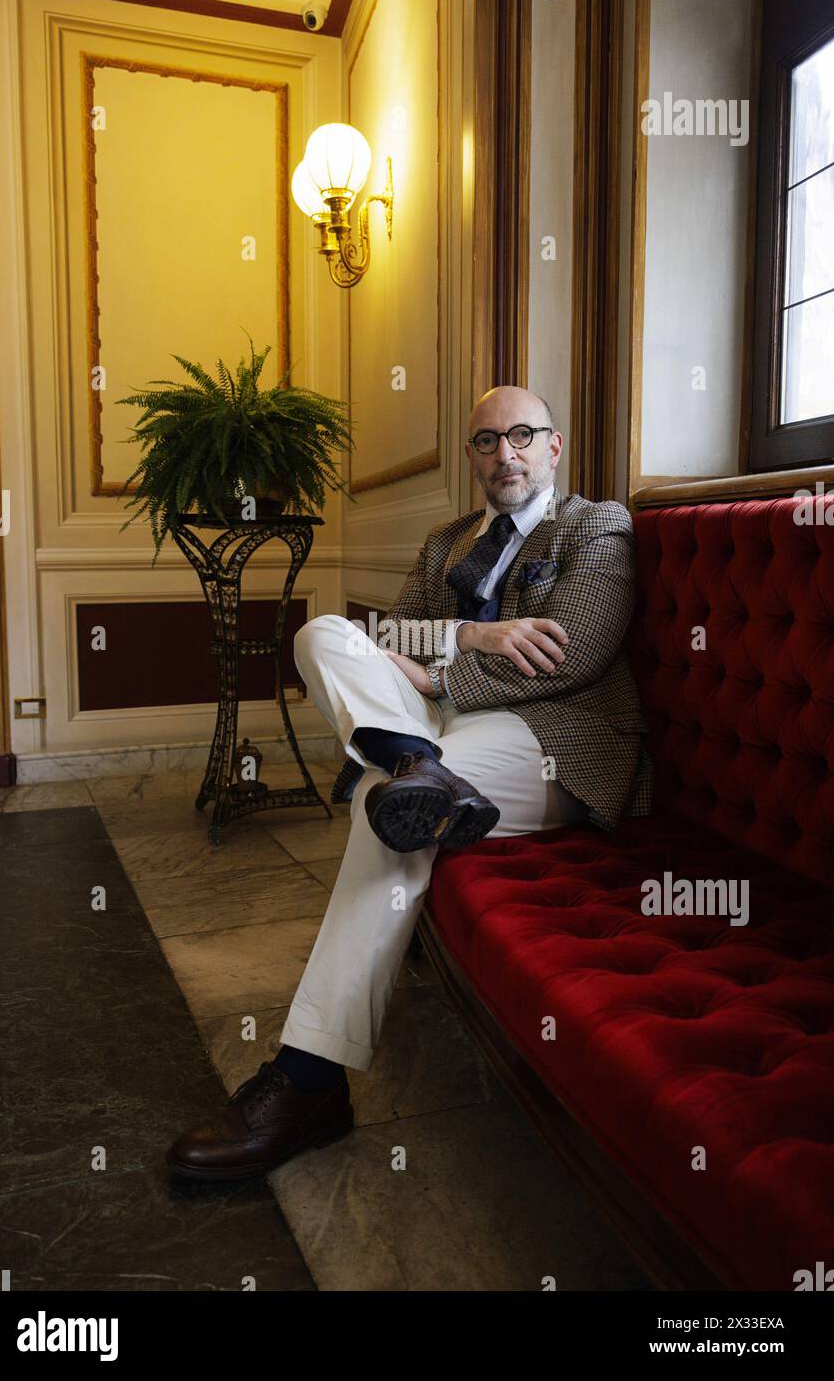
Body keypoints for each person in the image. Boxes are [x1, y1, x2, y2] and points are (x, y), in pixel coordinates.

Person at [166, 385, 653, 1180]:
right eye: (487, 441)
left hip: (552, 742)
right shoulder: (445, 543)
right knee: (323, 633)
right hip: (445, 728)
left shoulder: (595, 527)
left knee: (380, 806)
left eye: (523, 436)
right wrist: (475, 631)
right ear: (470, 457)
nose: (507, 454)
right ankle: (417, 766)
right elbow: (382, 635)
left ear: (553, 448)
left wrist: (437, 681)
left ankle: (308, 1079)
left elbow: (573, 652)